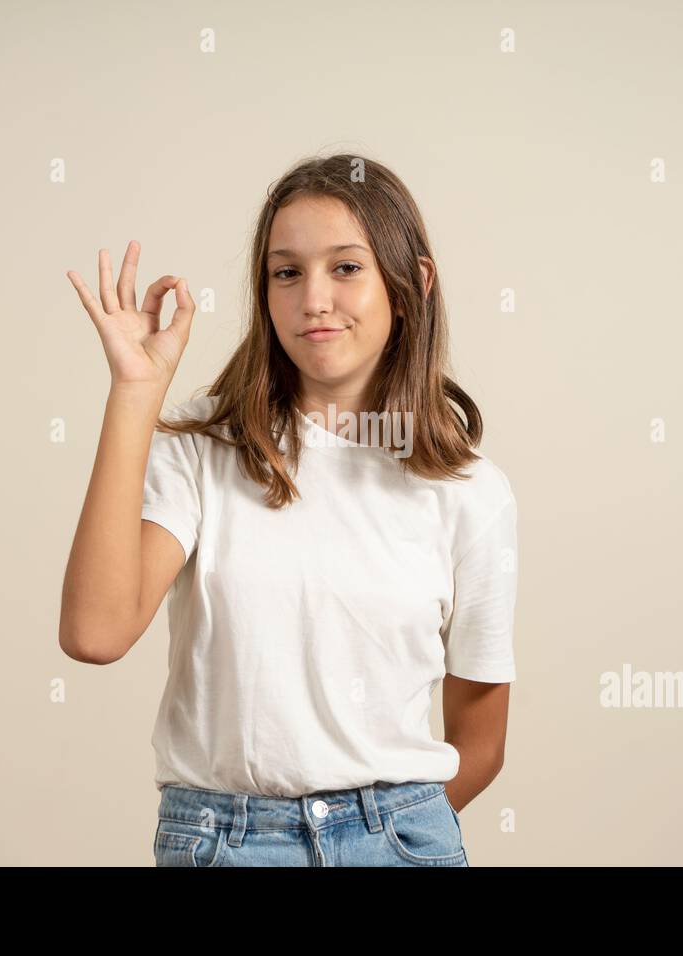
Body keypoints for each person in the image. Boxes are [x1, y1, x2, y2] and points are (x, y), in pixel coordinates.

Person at [59, 154, 517, 866]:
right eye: (287, 272)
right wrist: (134, 393)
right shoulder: (204, 449)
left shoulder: (470, 491)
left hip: (399, 841)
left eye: (345, 268)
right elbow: (96, 631)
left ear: (413, 285)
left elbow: (481, 741)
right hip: (224, 842)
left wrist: (381, 835)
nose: (313, 300)